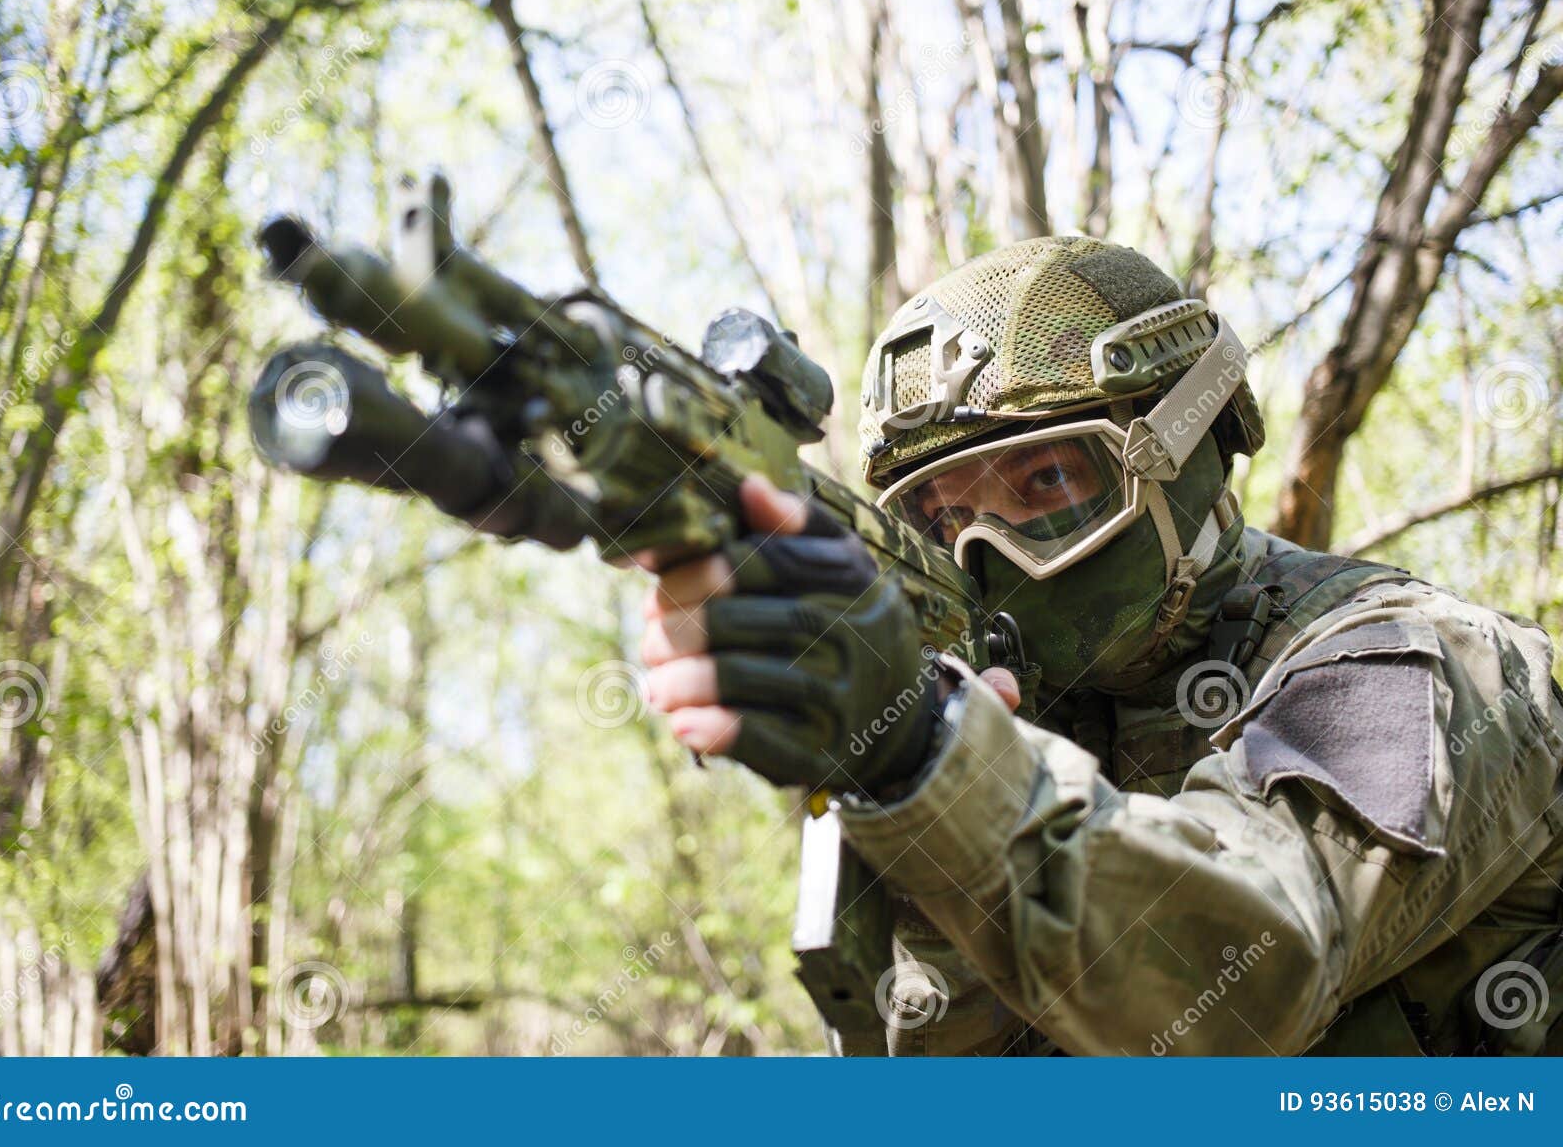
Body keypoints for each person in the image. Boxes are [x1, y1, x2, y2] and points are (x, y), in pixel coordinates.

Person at [639, 237, 1563, 1055]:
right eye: (943, 515)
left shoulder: (1417, 664)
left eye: (1043, 480)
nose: (982, 554)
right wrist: (904, 789)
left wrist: (938, 759)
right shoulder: (1035, 715)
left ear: (1183, 455)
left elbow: (1239, 981)